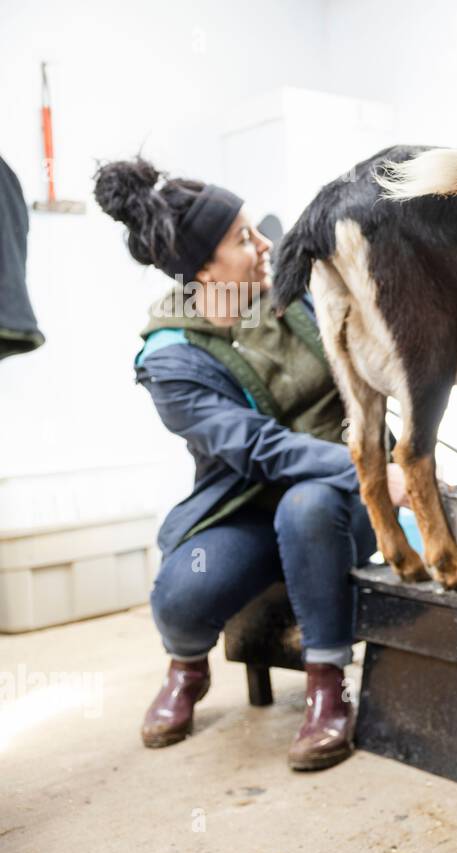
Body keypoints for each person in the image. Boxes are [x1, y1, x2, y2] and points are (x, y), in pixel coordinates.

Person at [93, 157, 409, 770]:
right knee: (180, 597)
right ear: (202, 270)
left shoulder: (293, 293)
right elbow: (259, 447)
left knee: (309, 504)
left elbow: (374, 358)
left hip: (335, 504)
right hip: (247, 506)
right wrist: (376, 473)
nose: (266, 242)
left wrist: (404, 454)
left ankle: (327, 684)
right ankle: (187, 668)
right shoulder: (171, 358)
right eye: (243, 237)